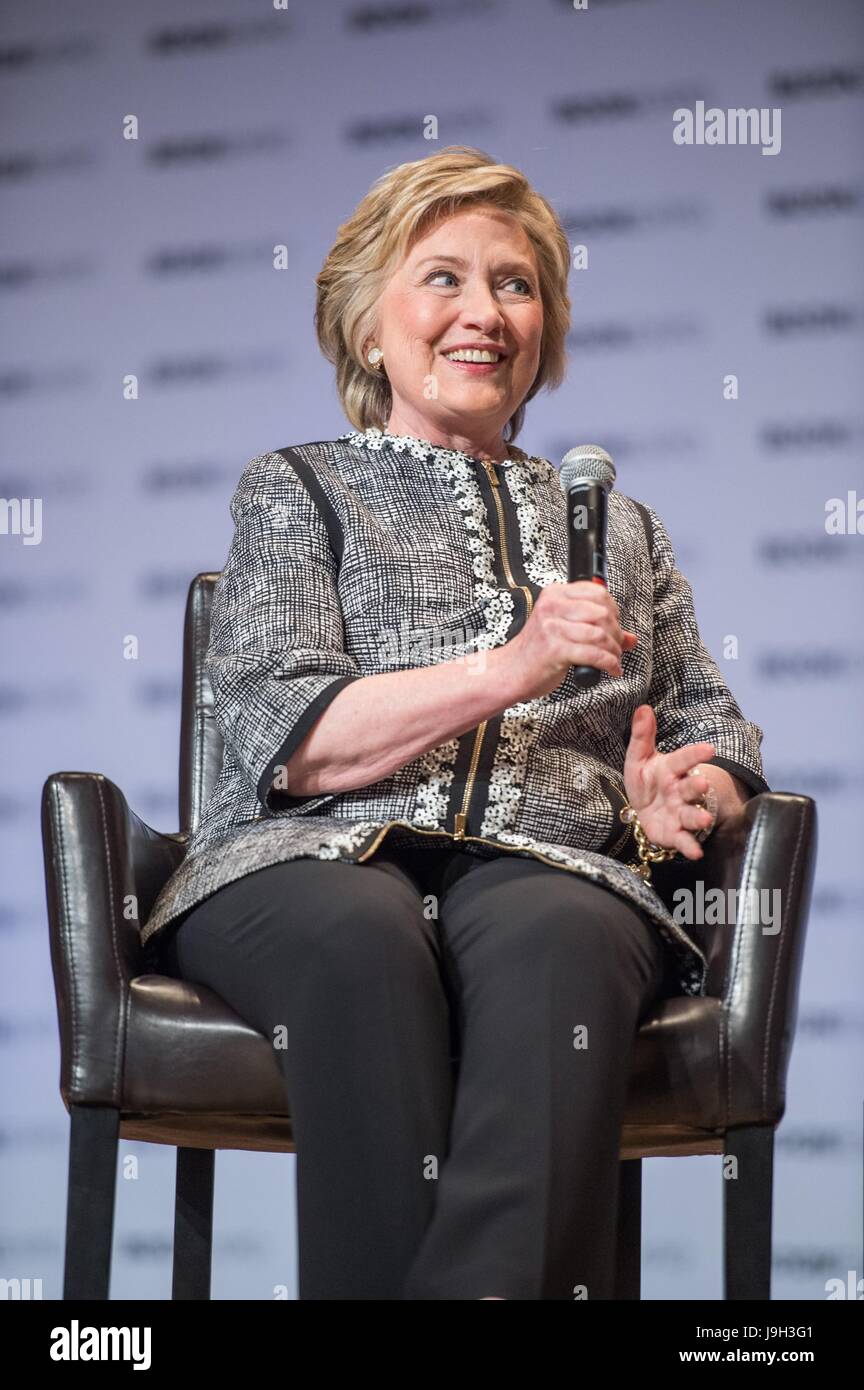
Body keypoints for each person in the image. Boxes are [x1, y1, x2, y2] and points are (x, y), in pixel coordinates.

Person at [141, 145, 769, 1300]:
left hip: (546, 863)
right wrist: (517, 663)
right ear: (368, 327)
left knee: (558, 937)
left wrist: (690, 789)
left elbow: (718, 731)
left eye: (517, 285)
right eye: (443, 278)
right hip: (306, 857)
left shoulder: (625, 530)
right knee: (361, 938)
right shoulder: (299, 485)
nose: (485, 311)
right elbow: (292, 731)